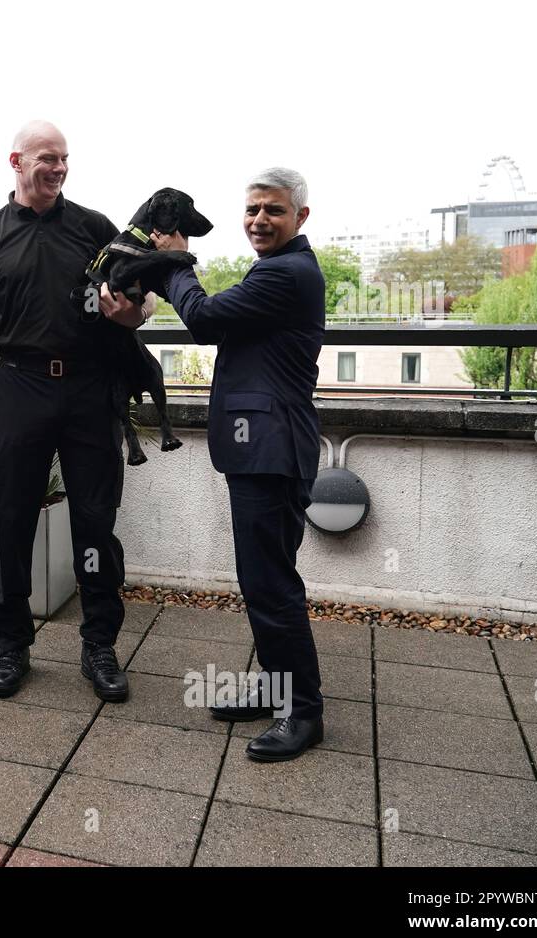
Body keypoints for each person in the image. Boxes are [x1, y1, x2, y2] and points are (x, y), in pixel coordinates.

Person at [0, 120, 149, 702]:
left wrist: (126, 312)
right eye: (47, 158)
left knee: (95, 523)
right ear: (16, 162)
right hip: (19, 388)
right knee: (12, 521)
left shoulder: (96, 229)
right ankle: (11, 646)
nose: (59, 168)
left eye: (64, 158)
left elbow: (140, 308)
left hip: (90, 390)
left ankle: (100, 645)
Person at [152, 167, 326, 761]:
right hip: (264, 448)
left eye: (273, 210)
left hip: (272, 453)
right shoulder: (277, 268)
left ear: (300, 216)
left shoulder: (287, 272)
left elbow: (203, 319)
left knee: (271, 585)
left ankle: (303, 712)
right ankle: (277, 688)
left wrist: (175, 260)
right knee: (261, 580)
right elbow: (219, 317)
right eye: (252, 209)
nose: (259, 220)